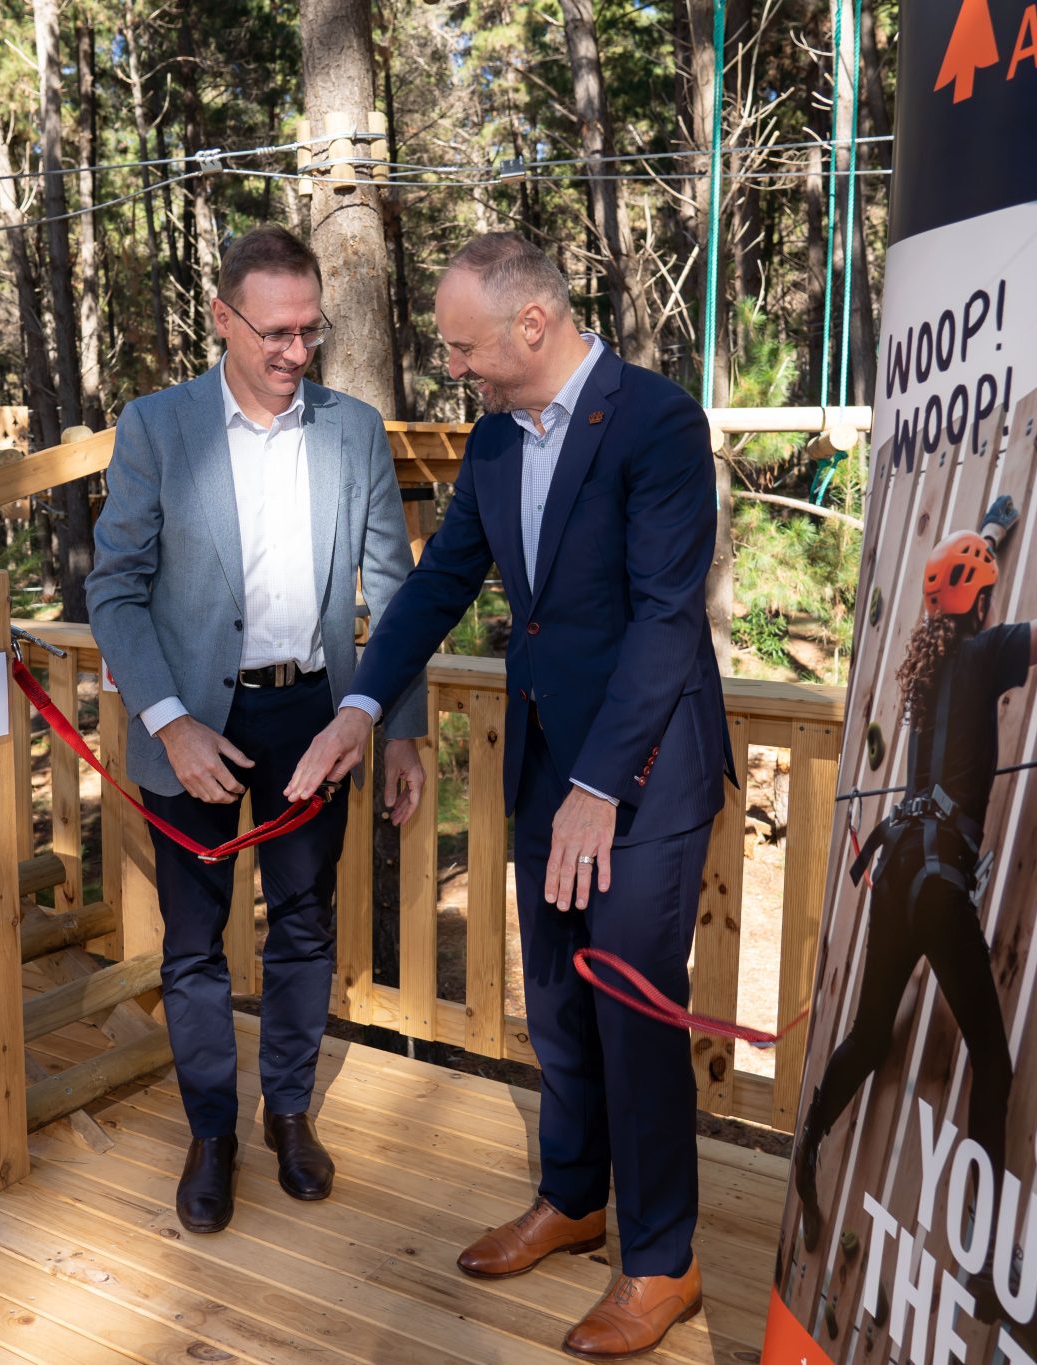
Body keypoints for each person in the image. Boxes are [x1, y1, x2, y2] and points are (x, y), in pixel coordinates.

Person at [286, 232, 736, 1361]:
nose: (457, 368)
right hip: (545, 768)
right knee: (557, 1004)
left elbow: (665, 617)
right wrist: (357, 705)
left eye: (464, 346)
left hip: (643, 779)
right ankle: (572, 1198)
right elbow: (443, 580)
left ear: (531, 326)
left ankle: (661, 1262)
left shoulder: (654, 422)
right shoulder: (492, 441)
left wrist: (601, 787)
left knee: (634, 1023)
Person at [86, 226, 428, 1236]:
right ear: (222, 320)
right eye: (273, 332)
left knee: (305, 922)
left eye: (307, 332)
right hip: (188, 717)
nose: (294, 353)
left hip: (311, 717)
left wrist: (396, 730)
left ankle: (287, 1115)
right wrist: (168, 721)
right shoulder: (155, 427)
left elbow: (391, 591)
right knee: (192, 945)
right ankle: (210, 1133)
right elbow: (112, 589)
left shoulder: (352, 430)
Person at [788, 491, 1037, 1337]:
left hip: (895, 872)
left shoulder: (922, 667)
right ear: (984, 607)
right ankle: (987, 1268)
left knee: (869, 1033)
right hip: (937, 886)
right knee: (993, 1067)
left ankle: (809, 1144)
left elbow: (951, 586)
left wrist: (991, 530)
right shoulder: (988, 648)